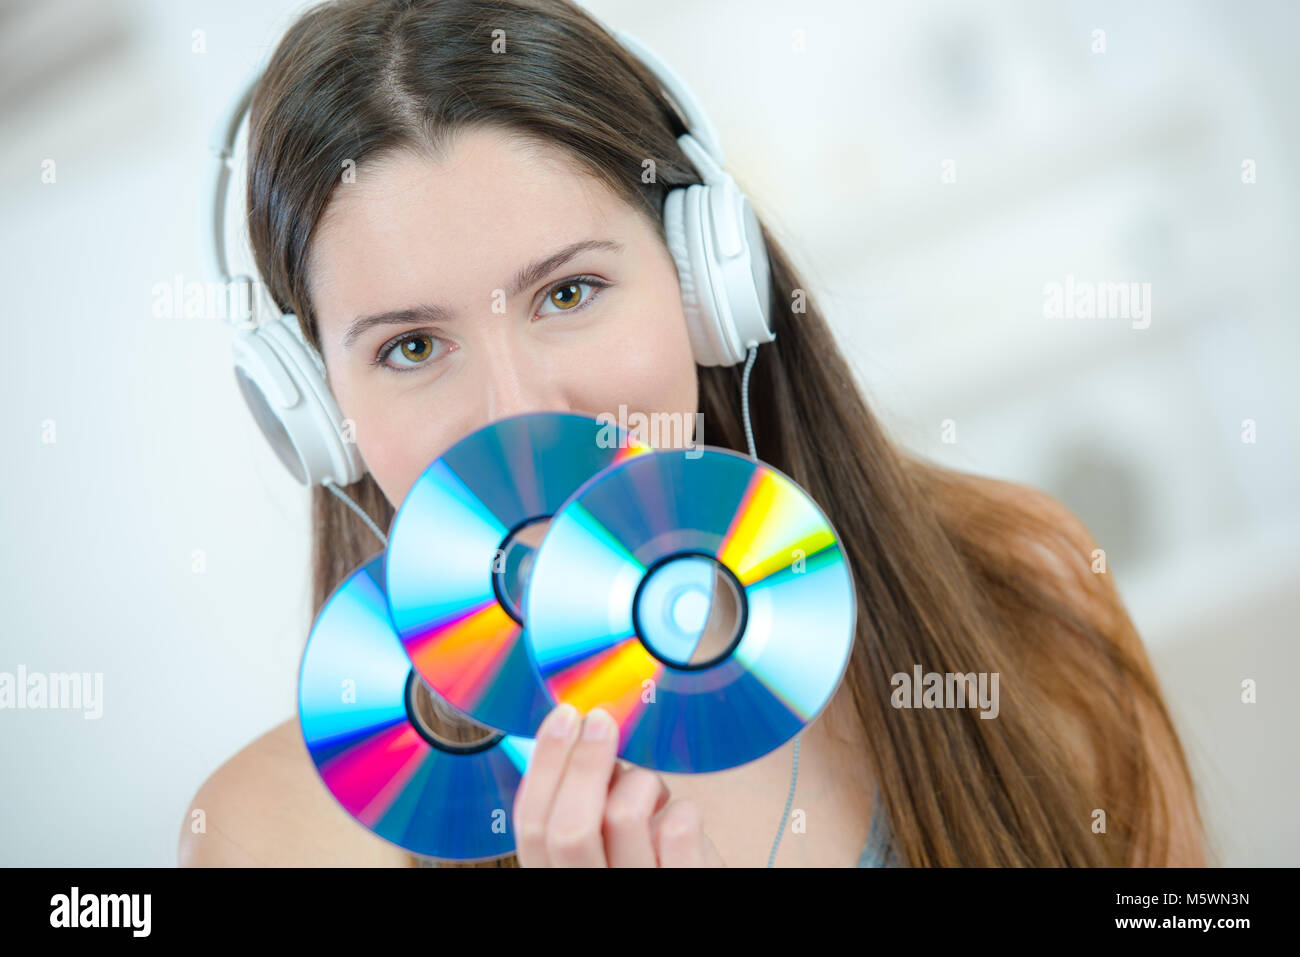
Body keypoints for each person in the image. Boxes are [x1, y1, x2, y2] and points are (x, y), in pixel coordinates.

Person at [178, 0, 1207, 868]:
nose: (518, 413)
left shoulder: (1028, 594)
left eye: (568, 291)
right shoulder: (269, 838)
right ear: (316, 414)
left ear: (706, 285)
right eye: (410, 348)